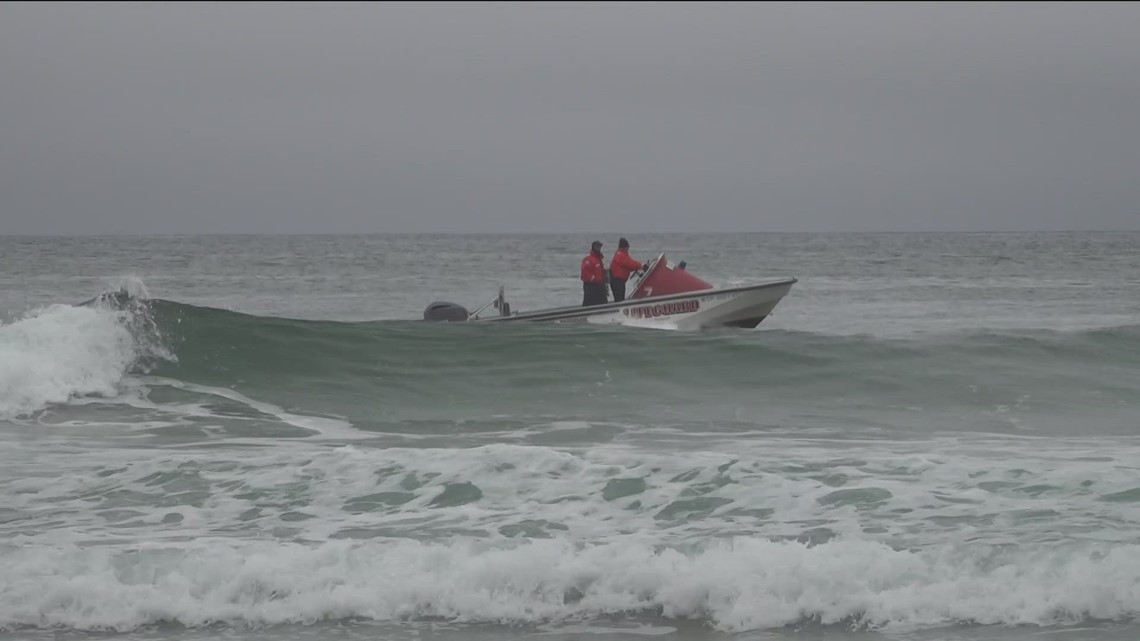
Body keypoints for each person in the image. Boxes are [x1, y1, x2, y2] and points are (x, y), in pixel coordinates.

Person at [608, 237, 644, 303]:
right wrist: (640, 265)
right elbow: (629, 263)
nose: (628, 249)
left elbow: (628, 266)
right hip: (617, 281)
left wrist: (638, 267)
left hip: (619, 281)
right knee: (619, 299)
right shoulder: (620, 255)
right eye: (627, 247)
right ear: (625, 247)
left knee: (620, 298)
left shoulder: (623, 255)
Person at [580, 240, 608, 306]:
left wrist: (605, 274)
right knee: (589, 303)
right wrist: (593, 279)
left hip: (600, 286)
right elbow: (585, 273)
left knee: (603, 304)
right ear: (593, 247)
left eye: (599, 247)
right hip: (592, 286)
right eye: (597, 246)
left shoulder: (598, 259)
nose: (599, 248)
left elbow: (599, 271)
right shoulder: (588, 259)